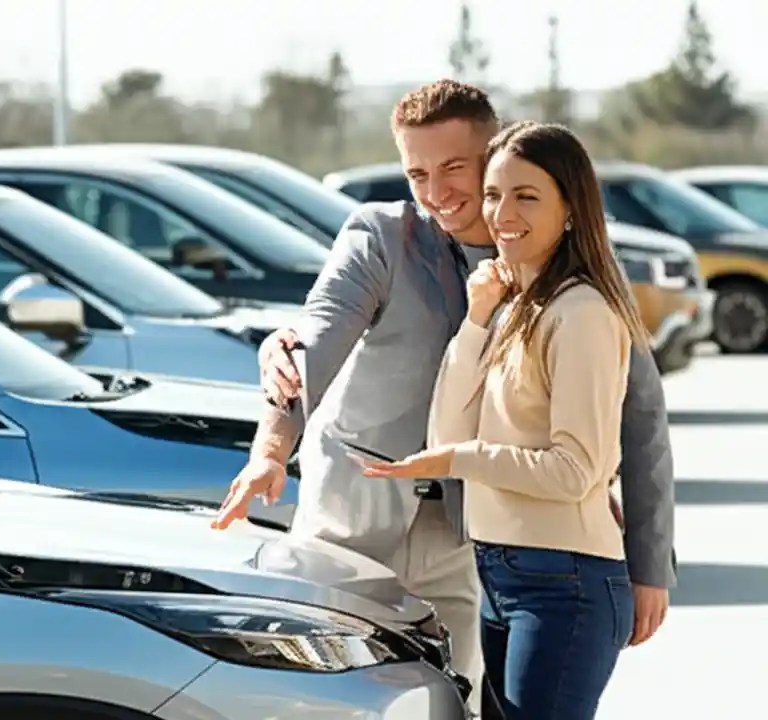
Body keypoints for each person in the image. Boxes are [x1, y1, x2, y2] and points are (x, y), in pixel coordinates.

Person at [210, 79, 675, 713]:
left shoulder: (573, 272)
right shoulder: (381, 235)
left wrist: (649, 564)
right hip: (352, 520)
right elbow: (316, 338)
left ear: (498, 154)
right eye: (417, 173)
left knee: (448, 704)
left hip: (467, 539)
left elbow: (640, 418)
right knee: (325, 702)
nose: (436, 194)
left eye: (455, 168)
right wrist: (270, 448)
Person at [354, 120, 646, 717]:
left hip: (564, 582)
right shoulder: (515, 306)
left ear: (571, 209)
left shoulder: (581, 313)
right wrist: (477, 318)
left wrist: (462, 462)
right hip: (501, 574)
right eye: (493, 194)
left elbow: (576, 471)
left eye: (526, 196)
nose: (501, 212)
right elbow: (447, 434)